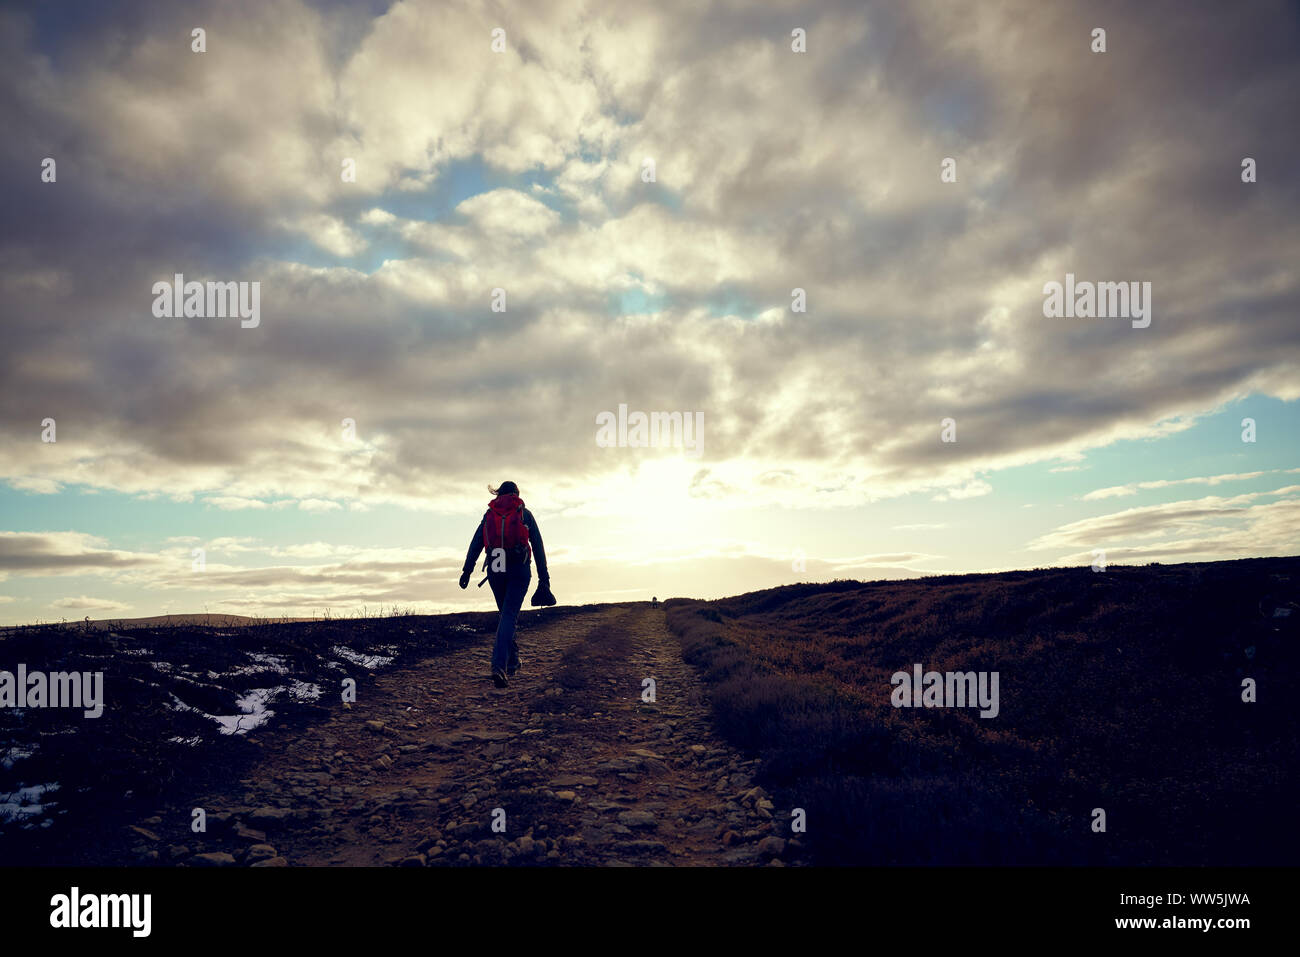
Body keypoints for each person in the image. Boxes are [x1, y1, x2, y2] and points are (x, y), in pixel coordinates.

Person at [459, 481, 550, 688]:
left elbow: (476, 542)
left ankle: (512, 661)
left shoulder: (490, 514)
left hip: (496, 569)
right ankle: (498, 666)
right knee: (509, 616)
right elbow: (538, 546)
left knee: (505, 616)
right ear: (517, 494)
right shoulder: (524, 514)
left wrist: (467, 570)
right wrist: (544, 579)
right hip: (519, 569)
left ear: (499, 494)